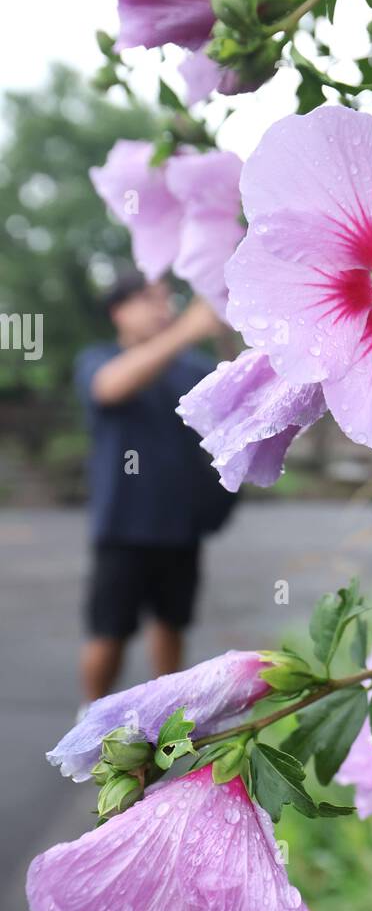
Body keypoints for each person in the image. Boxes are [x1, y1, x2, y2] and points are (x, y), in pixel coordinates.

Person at [75, 271, 235, 703]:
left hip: (180, 527)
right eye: (148, 298)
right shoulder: (99, 359)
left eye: (166, 298)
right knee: (109, 632)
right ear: (118, 312)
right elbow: (111, 387)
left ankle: (166, 720)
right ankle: (91, 717)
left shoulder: (191, 367)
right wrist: (187, 330)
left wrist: (224, 324)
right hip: (122, 529)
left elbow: (235, 392)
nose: (163, 307)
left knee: (171, 625)